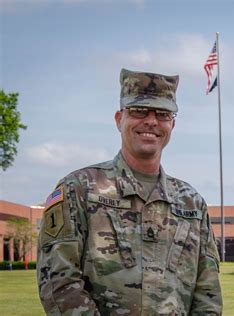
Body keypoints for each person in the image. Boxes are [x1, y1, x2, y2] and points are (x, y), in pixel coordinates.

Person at [37, 68, 223, 315]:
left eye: (163, 114)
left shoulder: (191, 203)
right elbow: (58, 283)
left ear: (172, 124)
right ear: (118, 119)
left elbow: (207, 292)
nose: (151, 121)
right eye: (138, 111)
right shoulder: (78, 190)